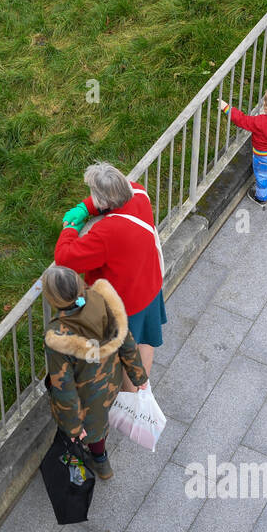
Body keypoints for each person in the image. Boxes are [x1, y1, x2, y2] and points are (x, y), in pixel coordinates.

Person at [57, 162, 164, 394]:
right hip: (150, 286)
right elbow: (116, 193)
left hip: (127, 303)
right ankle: (143, 387)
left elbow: (65, 258)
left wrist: (70, 227)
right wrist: (85, 207)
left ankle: (132, 397)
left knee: (128, 352)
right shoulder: (139, 194)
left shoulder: (107, 232)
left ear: (104, 202)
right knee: (145, 340)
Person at [41, 265, 149, 480]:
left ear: (53, 299)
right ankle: (100, 460)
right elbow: (126, 339)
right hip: (111, 380)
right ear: (79, 284)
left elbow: (64, 386)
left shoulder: (59, 337)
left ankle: (92, 464)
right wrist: (139, 376)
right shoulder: (103, 298)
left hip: (84, 395)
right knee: (99, 424)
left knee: (86, 432)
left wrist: (73, 426)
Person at [218, 88, 267, 207]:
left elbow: (242, 120)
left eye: (265, 104)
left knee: (262, 177)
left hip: (263, 158)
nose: (263, 104)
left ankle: (261, 198)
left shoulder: (261, 122)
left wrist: (226, 108)